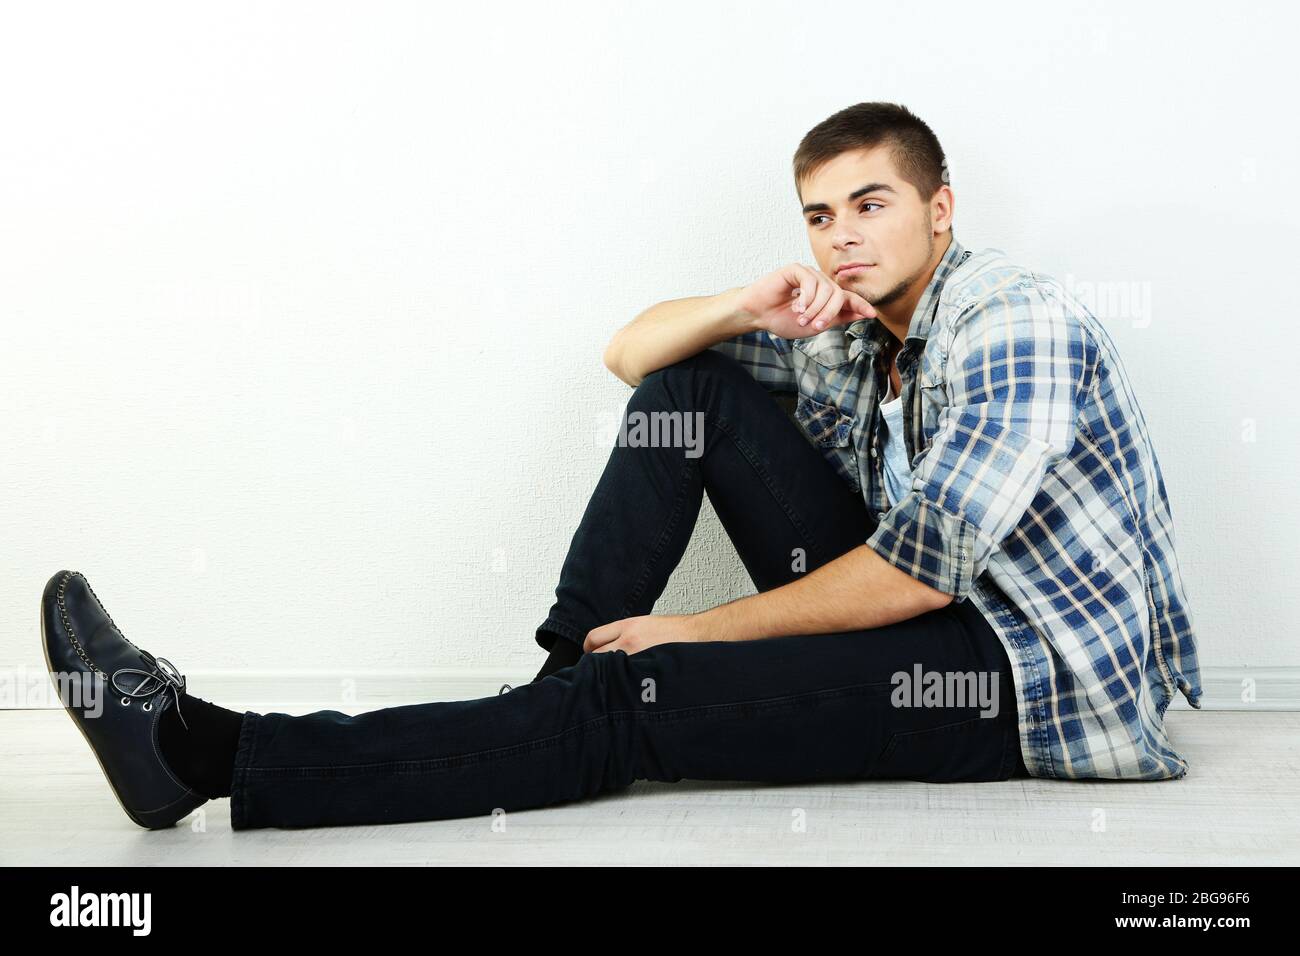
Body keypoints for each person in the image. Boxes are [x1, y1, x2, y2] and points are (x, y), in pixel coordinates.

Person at [40, 101, 1202, 831]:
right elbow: (633, 354)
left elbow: (924, 571)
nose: (840, 234)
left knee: (639, 690)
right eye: (816, 214)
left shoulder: (1012, 318)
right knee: (688, 393)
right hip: (930, 607)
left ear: (939, 209)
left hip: (1019, 678)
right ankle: (561, 693)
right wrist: (745, 301)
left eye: (870, 202)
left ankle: (203, 749)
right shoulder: (853, 331)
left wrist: (693, 630)